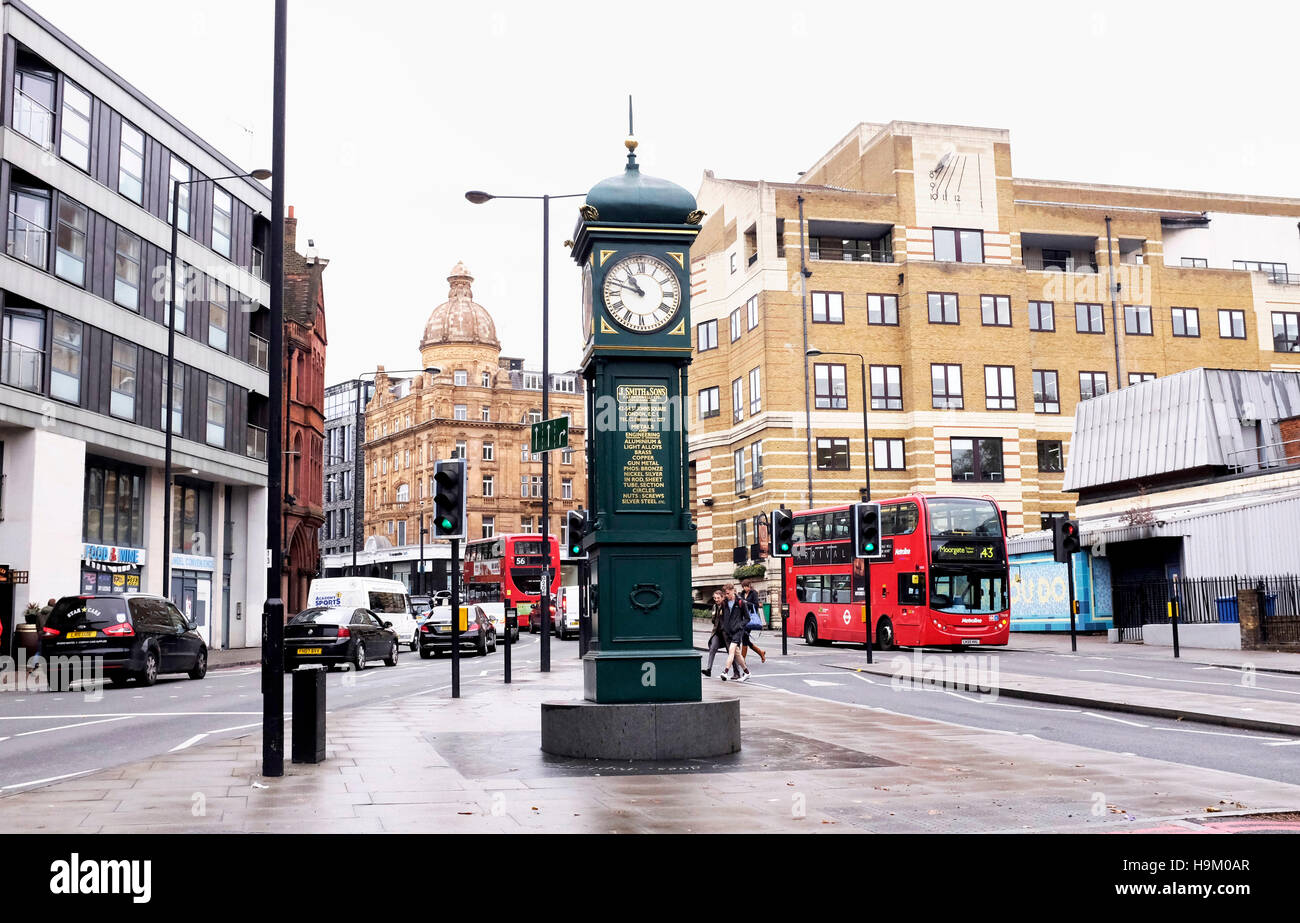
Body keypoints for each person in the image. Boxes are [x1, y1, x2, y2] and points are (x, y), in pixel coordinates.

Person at [719, 584, 750, 682]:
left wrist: (740, 626)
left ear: (733, 591)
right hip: (729, 631)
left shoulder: (740, 602)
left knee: (731, 650)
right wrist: (724, 627)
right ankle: (747, 672)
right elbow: (723, 617)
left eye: (728, 593)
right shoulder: (724, 603)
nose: (727, 595)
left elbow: (747, 618)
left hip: (738, 631)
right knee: (737, 654)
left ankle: (725, 672)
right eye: (725, 594)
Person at [700, 590, 734, 678]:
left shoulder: (726, 605)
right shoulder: (715, 606)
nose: (716, 599)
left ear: (722, 598)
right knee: (712, 648)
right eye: (715, 598)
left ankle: (737, 672)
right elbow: (713, 620)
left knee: (730, 652)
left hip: (726, 632)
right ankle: (709, 670)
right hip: (717, 632)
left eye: (718, 598)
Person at [740, 579, 767, 664]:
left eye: (746, 586)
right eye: (744, 587)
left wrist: (746, 603)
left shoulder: (754, 593)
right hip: (742, 618)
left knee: (744, 638)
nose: (745, 588)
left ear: (749, 586)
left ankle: (742, 660)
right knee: (745, 638)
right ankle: (760, 652)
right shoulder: (742, 594)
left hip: (750, 618)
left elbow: (756, 605)